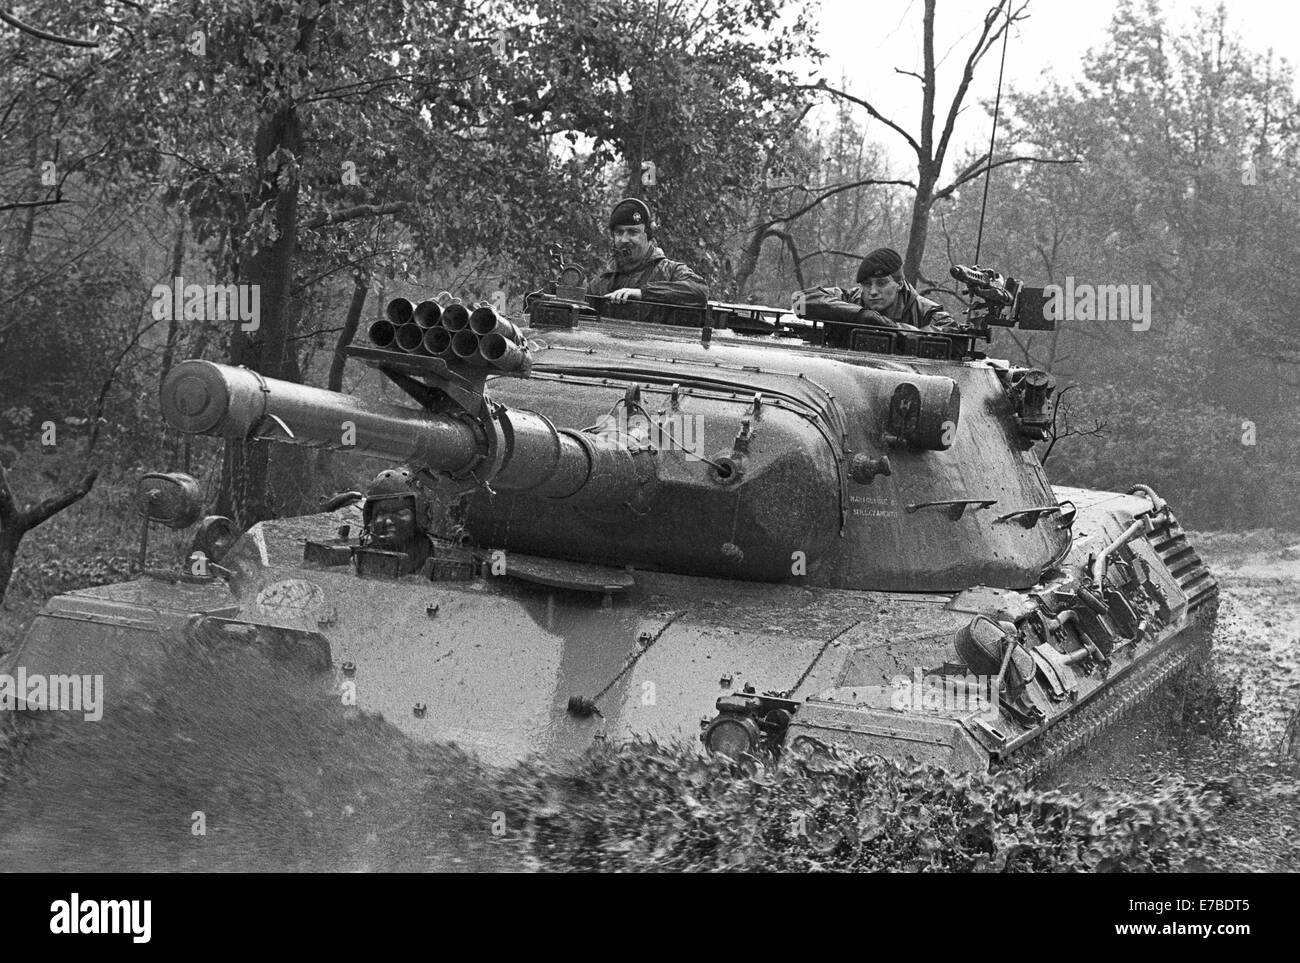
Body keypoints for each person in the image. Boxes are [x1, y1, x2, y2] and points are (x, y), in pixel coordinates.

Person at [799, 247, 961, 346]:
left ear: (899, 283)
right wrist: (858, 315)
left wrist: (891, 327)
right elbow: (799, 301)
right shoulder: (851, 299)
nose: (873, 291)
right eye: (867, 284)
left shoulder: (925, 311)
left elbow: (956, 339)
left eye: (881, 283)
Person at [587, 198, 709, 324]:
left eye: (633, 232)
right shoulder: (602, 283)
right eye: (619, 232)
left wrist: (643, 293)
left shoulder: (670, 271)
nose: (624, 239)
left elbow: (700, 291)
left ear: (649, 236)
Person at [362, 467, 435, 575]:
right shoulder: (360, 557)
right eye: (381, 514)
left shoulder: (443, 562)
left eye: (400, 513)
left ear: (419, 518)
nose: (388, 522)